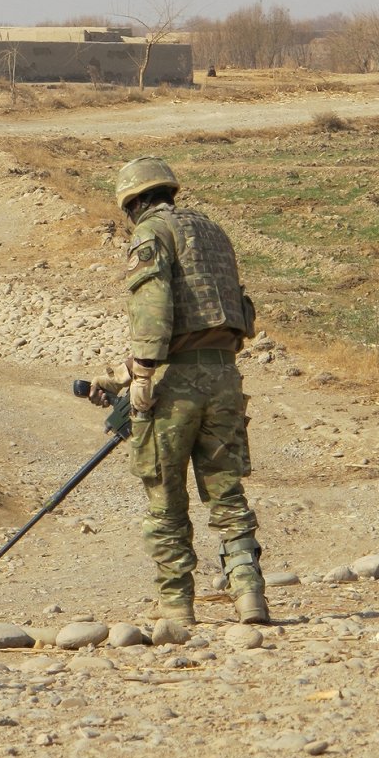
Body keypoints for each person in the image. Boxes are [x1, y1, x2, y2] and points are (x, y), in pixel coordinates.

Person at [90, 156, 268, 626]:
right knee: (227, 494)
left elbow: (155, 307)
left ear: (133, 203)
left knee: (166, 498)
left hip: (176, 386)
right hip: (225, 376)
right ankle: (249, 594)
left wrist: (143, 375)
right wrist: (124, 372)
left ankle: (176, 605)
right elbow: (209, 317)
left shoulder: (152, 233)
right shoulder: (212, 233)